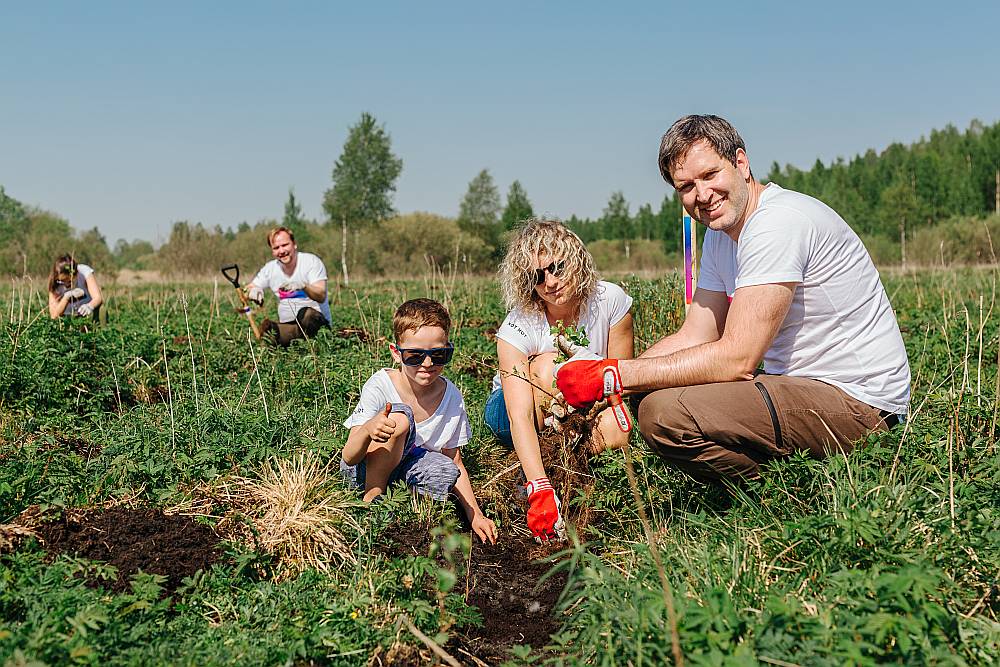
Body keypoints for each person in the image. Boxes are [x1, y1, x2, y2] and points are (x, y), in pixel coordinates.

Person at [556, 114, 910, 484]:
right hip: (800, 387)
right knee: (650, 395)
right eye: (686, 186)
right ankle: (792, 475)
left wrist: (614, 376)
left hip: (860, 405)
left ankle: (785, 491)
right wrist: (607, 385)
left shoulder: (777, 223)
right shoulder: (721, 236)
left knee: (664, 414)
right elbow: (695, 335)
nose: (702, 195)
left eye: (710, 175)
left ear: (741, 163)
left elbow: (738, 358)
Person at [485, 218, 634, 542]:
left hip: (582, 404)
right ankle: (539, 478)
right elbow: (519, 415)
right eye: (537, 276)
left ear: (576, 259)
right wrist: (539, 489)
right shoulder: (519, 326)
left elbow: (619, 380)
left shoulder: (610, 300)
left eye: (557, 267)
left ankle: (562, 466)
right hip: (511, 409)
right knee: (553, 364)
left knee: (619, 429)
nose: (550, 282)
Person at [341, 298, 498, 544]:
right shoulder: (381, 385)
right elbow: (349, 456)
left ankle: (402, 500)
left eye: (438, 355)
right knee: (401, 418)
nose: (427, 364)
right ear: (396, 353)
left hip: (407, 466)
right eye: (415, 356)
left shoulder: (452, 396)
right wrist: (369, 428)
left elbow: (454, 458)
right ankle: (372, 502)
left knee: (446, 472)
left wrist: (475, 515)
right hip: (364, 467)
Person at [245, 226, 331, 347]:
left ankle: (315, 347)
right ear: (272, 251)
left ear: (294, 244)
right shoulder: (270, 269)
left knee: (306, 314)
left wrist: (303, 286)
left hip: (315, 323)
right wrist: (253, 291)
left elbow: (321, 295)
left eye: (285, 245)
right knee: (268, 331)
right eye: (276, 248)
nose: (281, 251)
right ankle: (289, 350)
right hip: (290, 326)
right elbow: (249, 288)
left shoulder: (311, 262)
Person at [47, 254, 104, 321]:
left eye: (68, 281)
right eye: (62, 281)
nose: (65, 284)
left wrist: (89, 306)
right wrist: (66, 298)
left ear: (75, 274)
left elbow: (98, 298)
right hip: (68, 318)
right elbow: (54, 315)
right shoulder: (55, 283)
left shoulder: (83, 271)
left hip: (88, 314)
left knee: (103, 310)